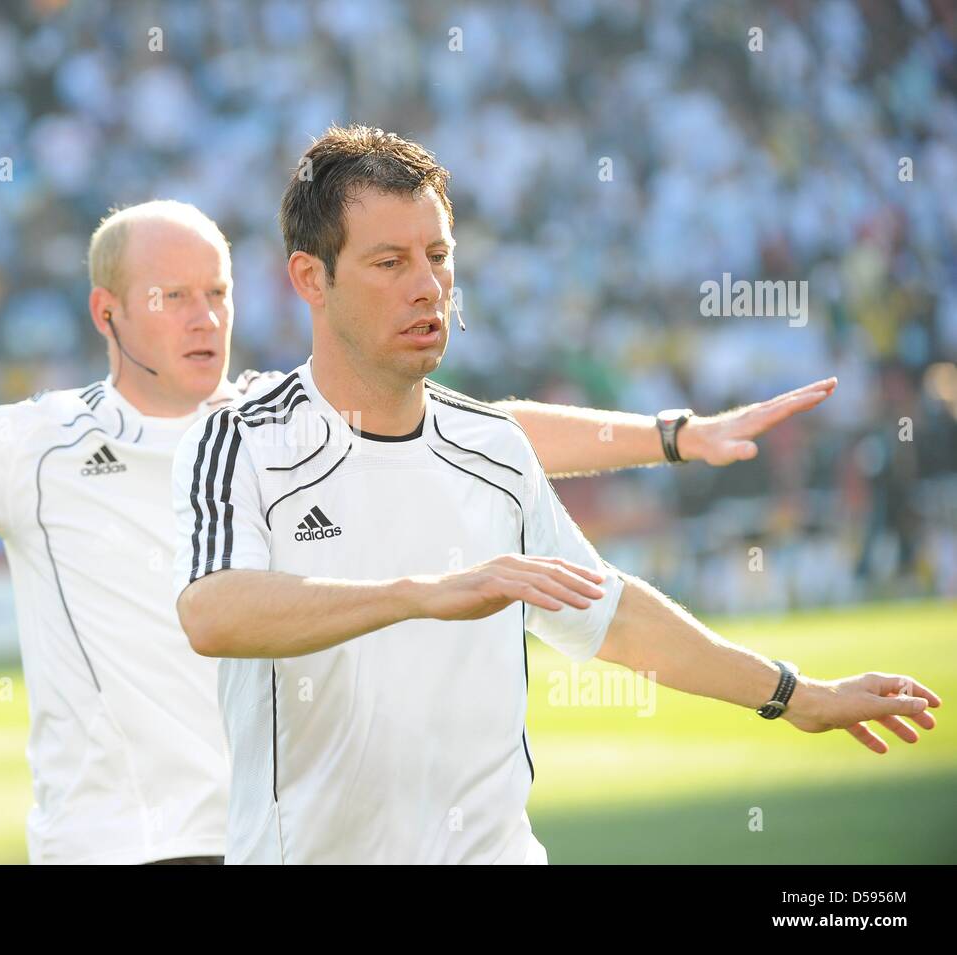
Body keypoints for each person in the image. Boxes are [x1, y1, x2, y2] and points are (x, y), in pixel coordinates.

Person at [0, 199, 834, 864]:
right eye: (172, 294)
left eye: (218, 290)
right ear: (107, 312)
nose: (203, 315)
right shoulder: (34, 445)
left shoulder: (275, 423)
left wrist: (672, 432)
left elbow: (491, 426)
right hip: (117, 845)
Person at [171, 126, 940, 864]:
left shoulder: (496, 451)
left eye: (438, 255)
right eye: (388, 263)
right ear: (311, 277)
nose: (427, 286)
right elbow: (213, 611)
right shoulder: (242, 439)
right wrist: (420, 593)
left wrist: (796, 694)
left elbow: (613, 617)